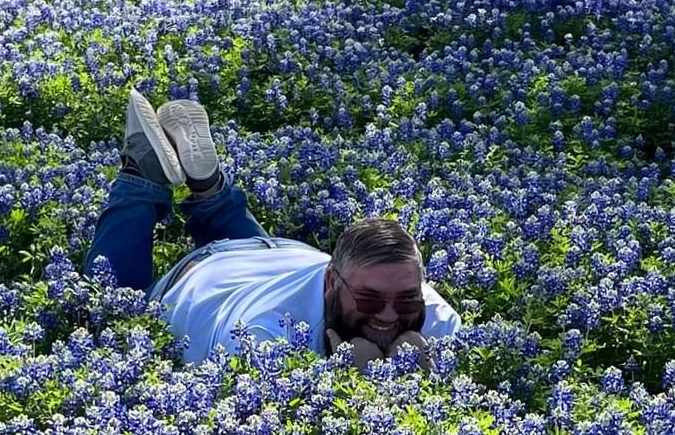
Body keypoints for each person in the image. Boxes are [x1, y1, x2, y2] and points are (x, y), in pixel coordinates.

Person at [83, 89, 461, 369]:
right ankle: (141, 172)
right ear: (331, 281)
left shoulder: (436, 319)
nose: (391, 315)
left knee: (248, 246)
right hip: (208, 279)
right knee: (107, 299)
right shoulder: (261, 338)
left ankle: (210, 186)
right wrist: (355, 377)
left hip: (278, 254)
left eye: (409, 300)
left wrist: (405, 365)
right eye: (370, 300)